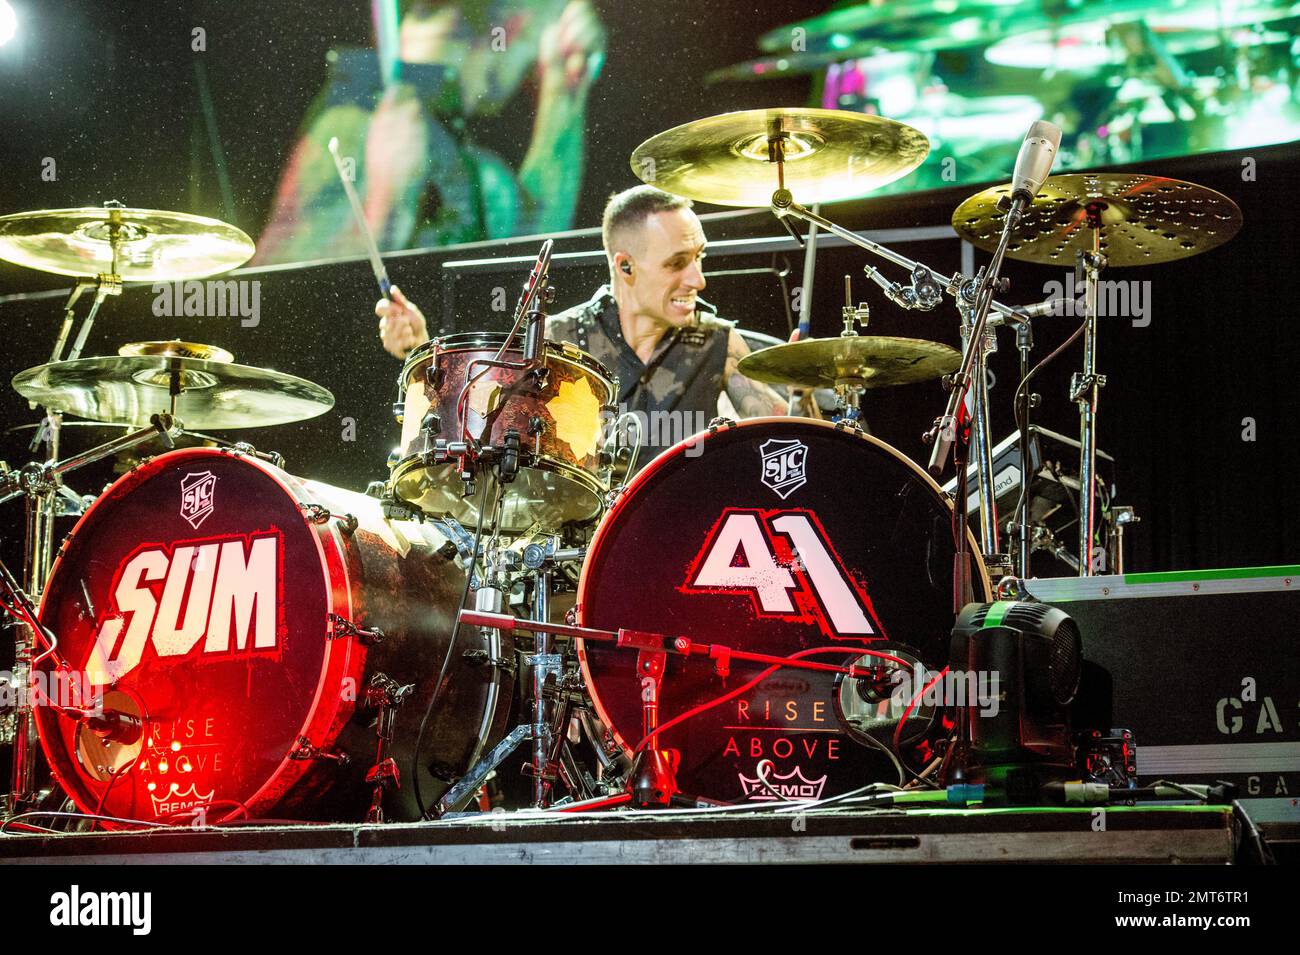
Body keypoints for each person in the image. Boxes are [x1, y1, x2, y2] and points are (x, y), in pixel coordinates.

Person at [378, 185, 792, 464]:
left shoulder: (717, 343)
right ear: (625, 266)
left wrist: (804, 387)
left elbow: (786, 436)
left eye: (699, 257)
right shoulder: (559, 340)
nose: (697, 279)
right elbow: (481, 423)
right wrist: (422, 348)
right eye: (677, 264)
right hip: (582, 556)